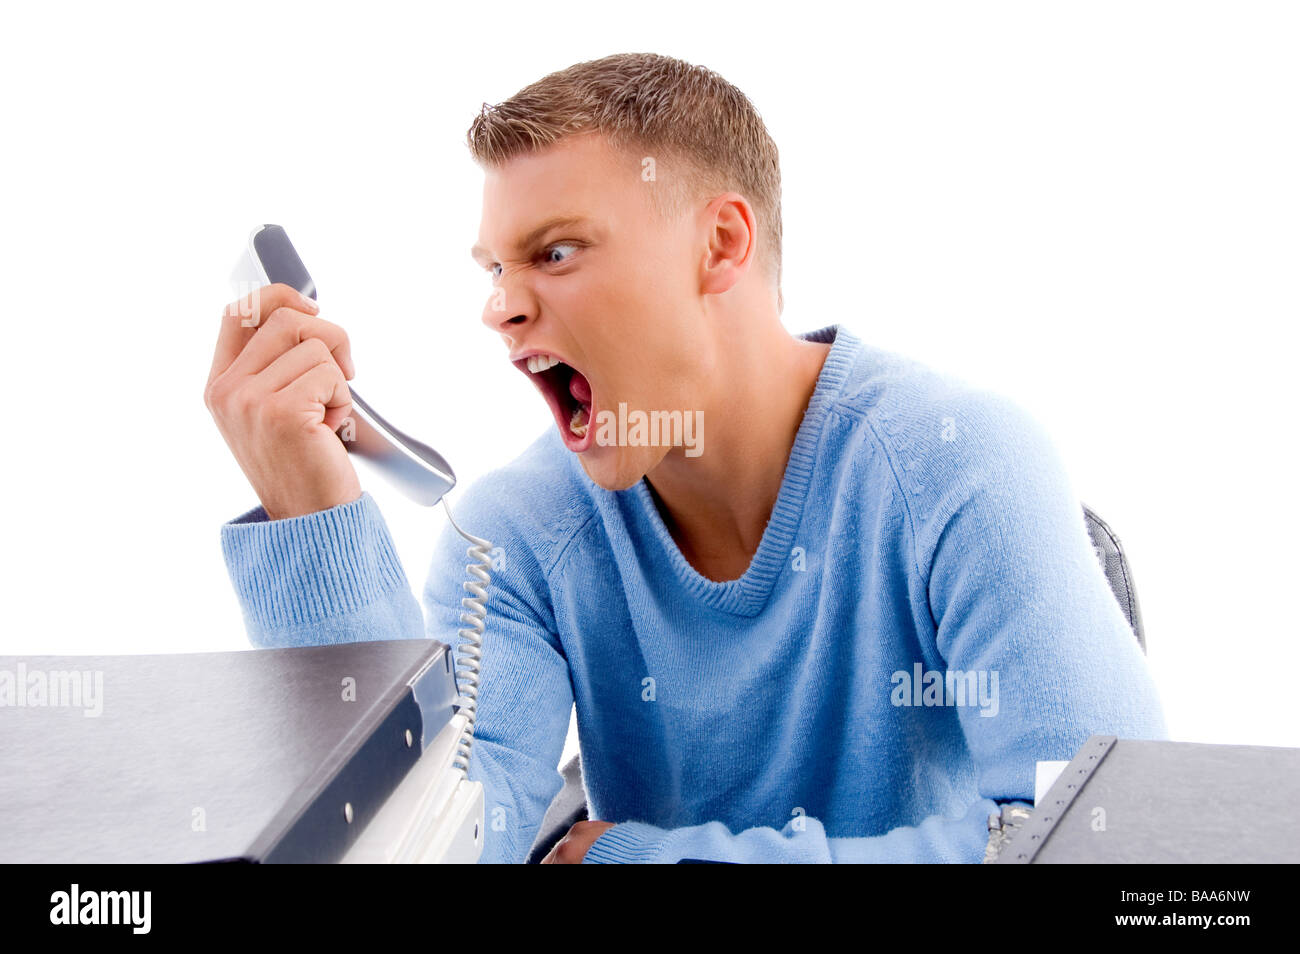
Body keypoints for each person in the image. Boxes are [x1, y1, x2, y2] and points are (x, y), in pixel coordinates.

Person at [204, 52, 1167, 864]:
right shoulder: (515, 540)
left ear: (720, 243)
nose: (500, 306)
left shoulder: (958, 466)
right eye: (496, 269)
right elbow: (430, 851)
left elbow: (1124, 847)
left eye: (557, 252)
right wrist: (314, 523)